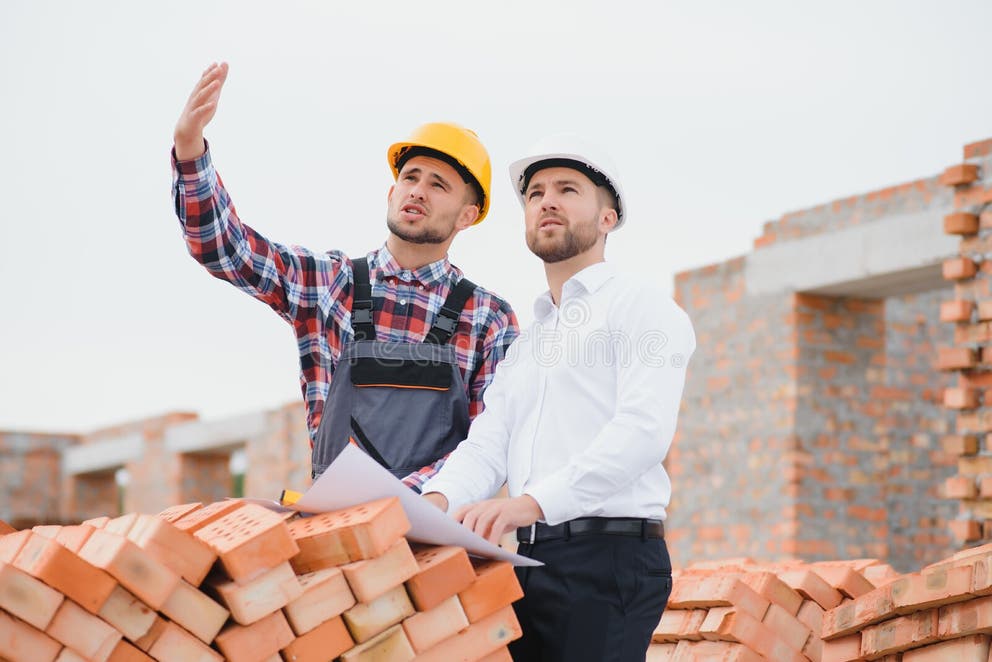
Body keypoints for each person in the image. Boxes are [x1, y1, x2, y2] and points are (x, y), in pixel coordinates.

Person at [171, 62, 518, 483]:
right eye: (410, 177)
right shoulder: (328, 284)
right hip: (336, 519)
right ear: (391, 194)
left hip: (434, 521)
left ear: (467, 215)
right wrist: (189, 148)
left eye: (437, 184)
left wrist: (406, 499)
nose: (417, 191)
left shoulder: (488, 318)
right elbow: (224, 247)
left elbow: (488, 445)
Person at [421, 135, 696, 661]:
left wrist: (529, 504)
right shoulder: (528, 344)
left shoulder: (642, 308)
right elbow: (487, 447)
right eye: (535, 193)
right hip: (527, 562)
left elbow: (642, 432)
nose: (547, 201)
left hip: (608, 561)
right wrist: (435, 505)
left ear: (608, 218)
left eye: (567, 190)